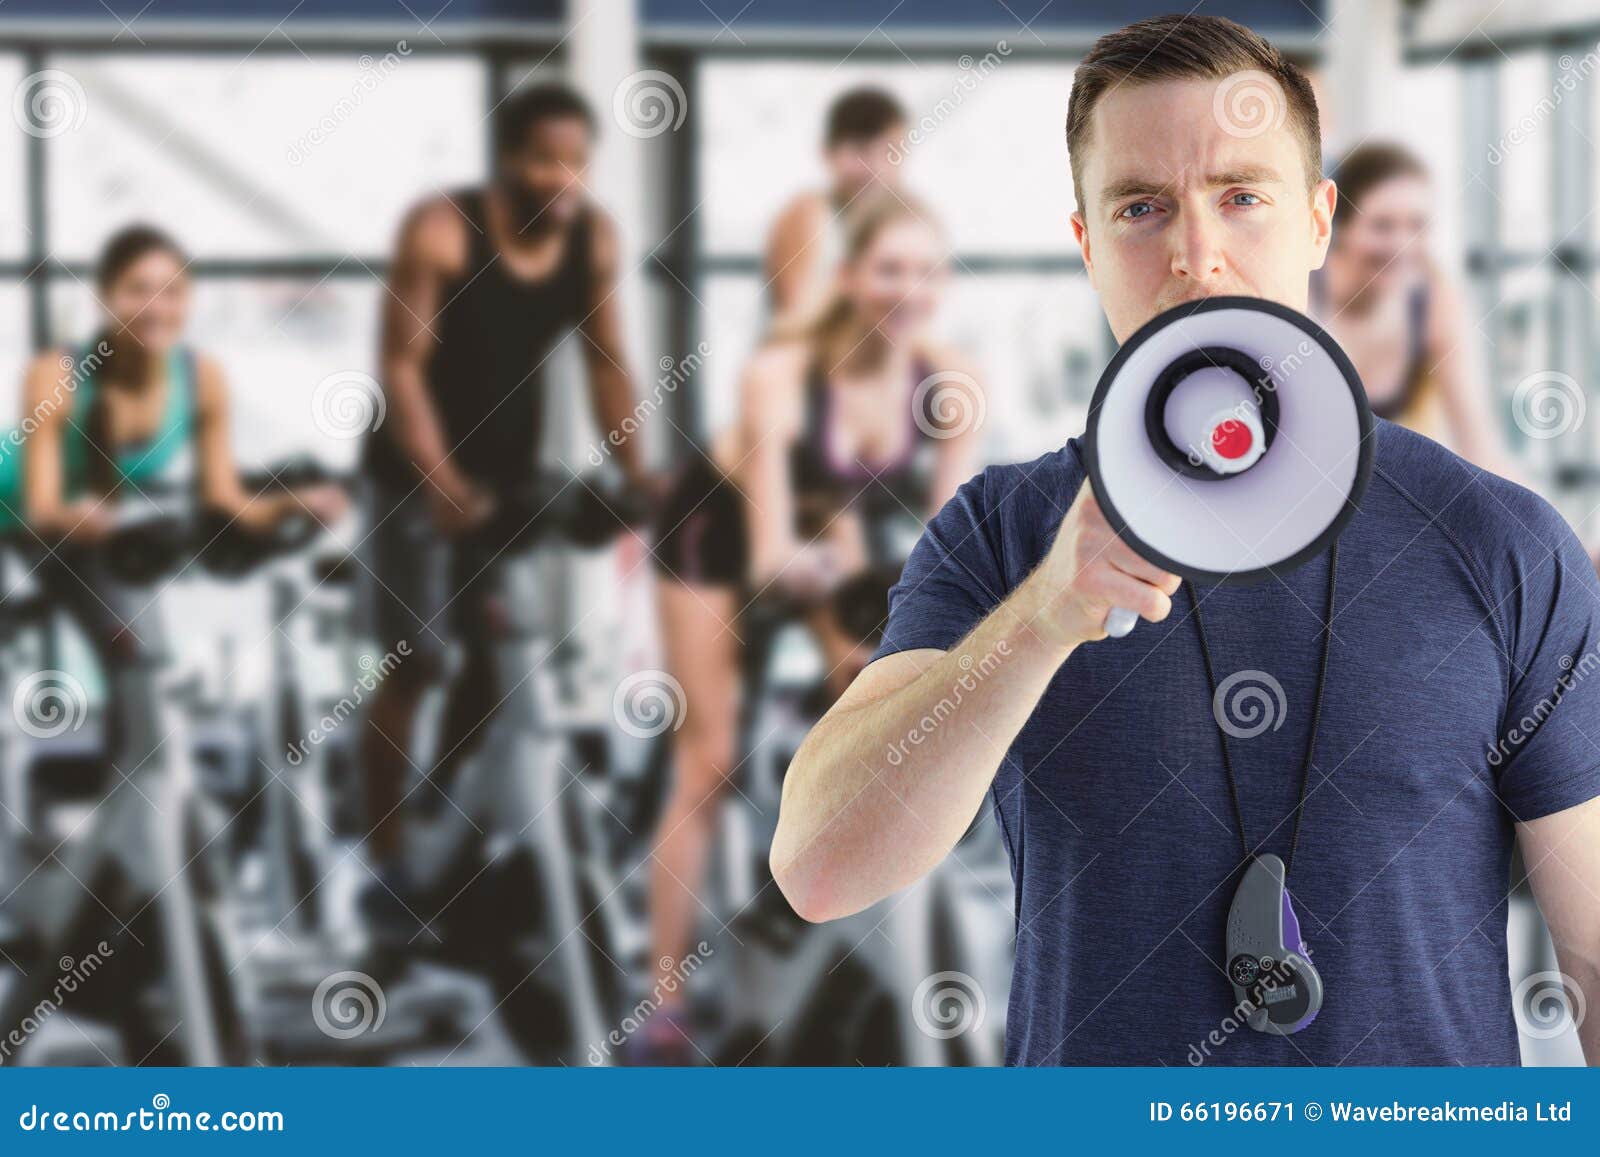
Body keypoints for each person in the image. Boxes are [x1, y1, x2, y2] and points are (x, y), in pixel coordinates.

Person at [771, 15, 1600, 1067]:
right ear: (1086, 244)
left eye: (1241, 197)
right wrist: (1038, 621)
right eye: (1139, 206)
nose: (1194, 253)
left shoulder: (1498, 542)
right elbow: (819, 866)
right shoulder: (1003, 534)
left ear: (1316, 223)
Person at [642, 191, 984, 1062]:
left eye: (923, 271)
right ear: (847, 278)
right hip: (717, 532)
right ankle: (664, 1000)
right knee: (709, 758)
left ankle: (817, 904)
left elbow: (944, 549)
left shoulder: (953, 384)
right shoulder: (783, 374)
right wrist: (844, 629)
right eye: (886, 270)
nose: (906, 290)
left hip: (830, 537)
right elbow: (769, 553)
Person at [355, 82, 647, 955]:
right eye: (543, 158)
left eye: (576, 160)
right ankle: (388, 862)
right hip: (411, 478)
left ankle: (455, 845)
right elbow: (400, 368)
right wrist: (443, 484)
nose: (561, 177)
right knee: (418, 663)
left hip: (507, 483)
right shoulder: (441, 229)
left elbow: (607, 362)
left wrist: (641, 477)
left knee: (495, 672)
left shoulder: (589, 237)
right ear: (508, 159)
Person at [0, 224, 346, 696]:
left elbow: (224, 499)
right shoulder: (56, 374)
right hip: (21, 513)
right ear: (104, 299)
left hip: (81, 530)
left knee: (138, 657)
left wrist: (294, 505)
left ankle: (141, 764)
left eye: (171, 293)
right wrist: (81, 519)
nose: (155, 308)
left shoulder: (201, 378)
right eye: (137, 291)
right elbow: (41, 508)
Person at [1309, 141, 1522, 480]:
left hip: (1387, 494)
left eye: (1417, 226)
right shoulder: (1301, 291)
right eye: (1382, 225)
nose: (1402, 246)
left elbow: (1479, 444)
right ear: (1341, 226)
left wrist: (1548, 531)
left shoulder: (1434, 300)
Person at [764, 87, 910, 325]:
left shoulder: (898, 222)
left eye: (890, 151)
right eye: (861, 150)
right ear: (827, 153)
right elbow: (795, 320)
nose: (875, 167)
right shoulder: (809, 213)